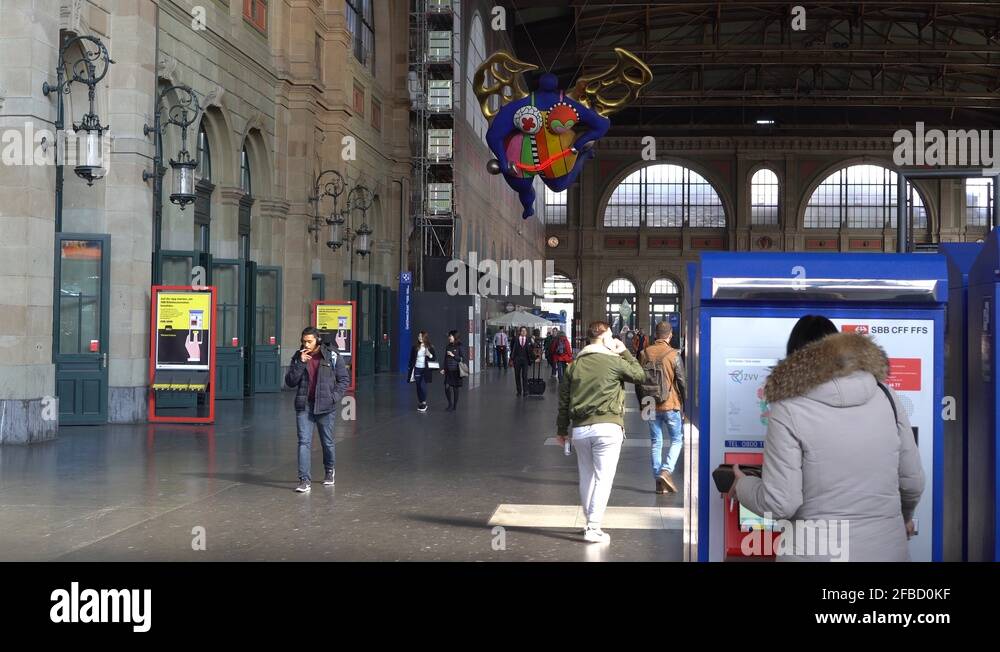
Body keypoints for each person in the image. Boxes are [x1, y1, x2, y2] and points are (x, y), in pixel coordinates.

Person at [731, 315, 925, 562]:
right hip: (886, 551)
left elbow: (781, 503)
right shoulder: (885, 395)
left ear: (795, 357)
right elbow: (913, 482)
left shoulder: (788, 408)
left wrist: (743, 486)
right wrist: (903, 518)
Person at [556, 321, 646, 544]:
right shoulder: (614, 362)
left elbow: (564, 401)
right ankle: (593, 527)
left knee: (587, 476)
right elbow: (639, 374)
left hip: (580, 430)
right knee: (603, 479)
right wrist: (623, 349)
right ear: (606, 338)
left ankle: (590, 522)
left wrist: (561, 430)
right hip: (608, 427)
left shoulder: (573, 365)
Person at [284, 326, 350, 493]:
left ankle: (329, 470)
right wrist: (300, 363)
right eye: (304, 341)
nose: (306, 344)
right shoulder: (298, 357)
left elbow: (343, 380)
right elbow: (290, 382)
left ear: (317, 341)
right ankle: (304, 480)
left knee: (327, 442)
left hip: (325, 406)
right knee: (304, 442)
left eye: (309, 341)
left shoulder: (331, 356)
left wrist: (333, 397)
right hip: (304, 405)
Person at [638, 321, 687, 494]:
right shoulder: (674, 354)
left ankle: (659, 482)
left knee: (656, 442)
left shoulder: (644, 353)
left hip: (650, 404)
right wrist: (685, 406)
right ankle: (666, 471)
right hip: (670, 404)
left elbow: (638, 381)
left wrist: (641, 404)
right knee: (676, 440)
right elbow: (681, 382)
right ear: (670, 335)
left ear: (655, 335)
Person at [407, 331, 437, 413]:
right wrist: (409, 366)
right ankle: (420, 402)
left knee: (422, 385)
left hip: (425, 369)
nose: (419, 338)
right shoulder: (415, 347)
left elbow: (434, 358)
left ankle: (424, 402)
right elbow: (412, 358)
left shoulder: (430, 347)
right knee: (418, 386)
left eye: (421, 336)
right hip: (417, 368)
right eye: (419, 336)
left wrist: (429, 354)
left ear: (425, 337)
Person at [442, 330, 466, 411]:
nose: (449, 337)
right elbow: (445, 358)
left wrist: (453, 355)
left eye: (451, 336)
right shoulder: (448, 346)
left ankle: (455, 406)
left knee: (455, 389)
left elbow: (462, 359)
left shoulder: (460, 346)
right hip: (448, 370)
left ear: (455, 336)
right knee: (446, 387)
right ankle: (450, 404)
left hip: (456, 371)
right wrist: (444, 368)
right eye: (449, 336)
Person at [510, 326, 535, 397]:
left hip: (525, 360)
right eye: (522, 331)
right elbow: (512, 348)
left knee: (524, 375)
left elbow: (533, 347)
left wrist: (533, 343)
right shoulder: (515, 339)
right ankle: (519, 391)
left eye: (525, 331)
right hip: (517, 360)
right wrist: (512, 358)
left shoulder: (529, 339)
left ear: (526, 332)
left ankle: (525, 391)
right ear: (520, 332)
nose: (524, 332)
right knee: (517, 376)